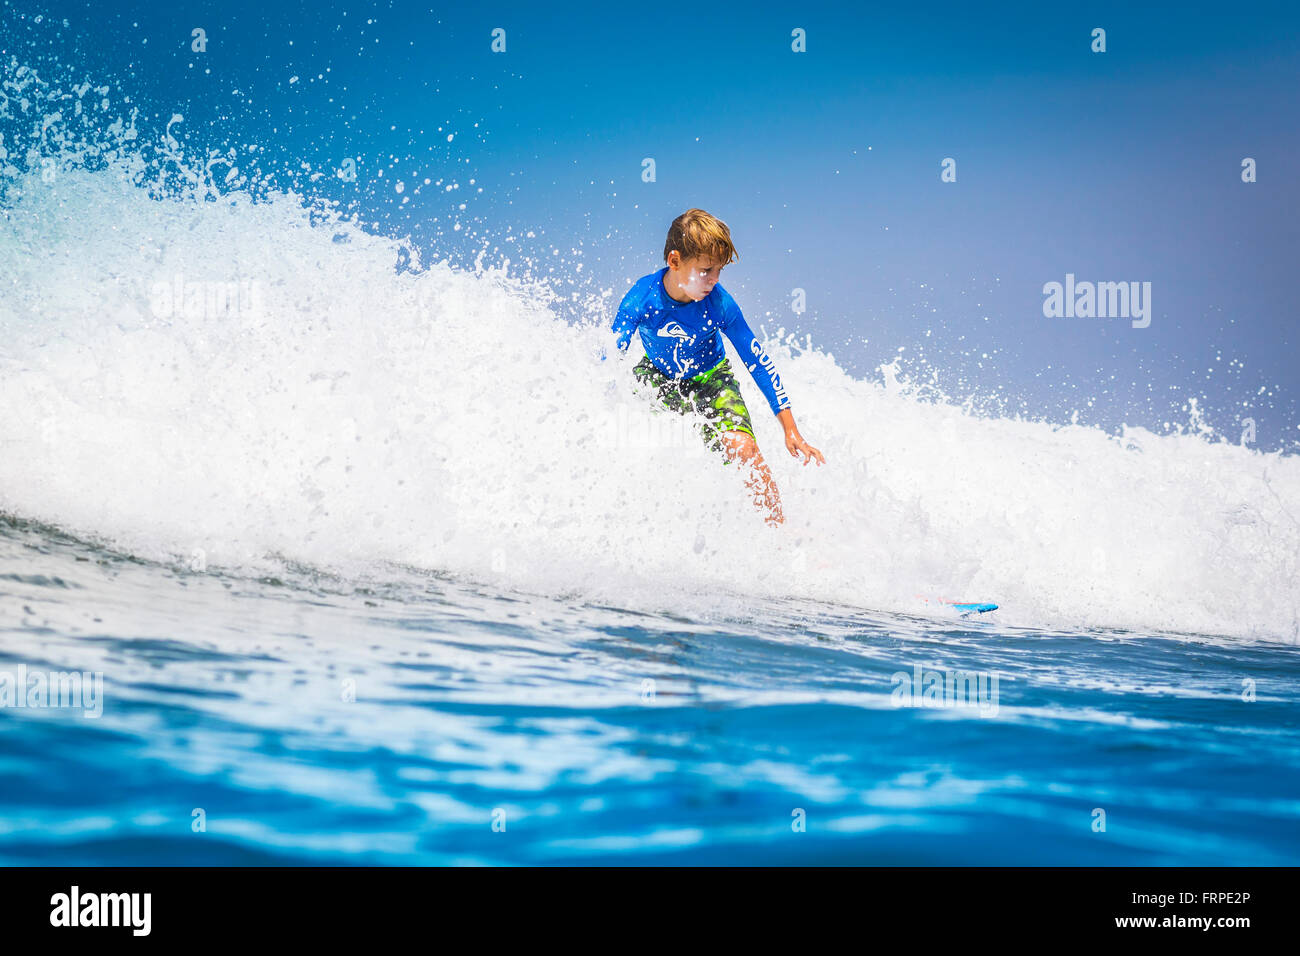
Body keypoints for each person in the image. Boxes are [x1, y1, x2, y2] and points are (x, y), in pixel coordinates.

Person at [610, 208, 825, 525]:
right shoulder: (642, 299)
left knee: (744, 449)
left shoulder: (720, 304)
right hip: (655, 380)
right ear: (674, 261)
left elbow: (757, 361)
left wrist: (790, 428)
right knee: (638, 446)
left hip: (712, 382)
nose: (713, 280)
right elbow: (610, 355)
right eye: (706, 270)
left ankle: (782, 536)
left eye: (719, 272)